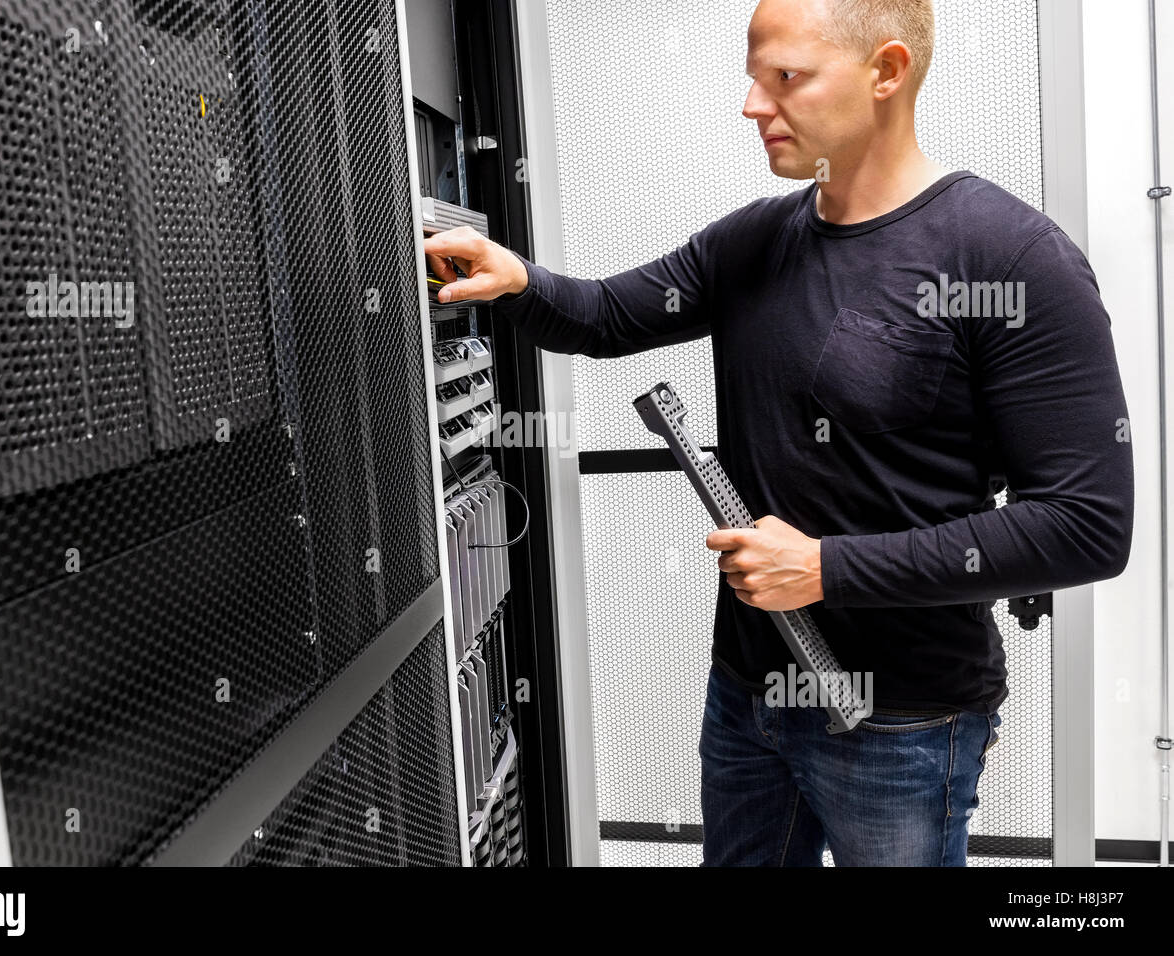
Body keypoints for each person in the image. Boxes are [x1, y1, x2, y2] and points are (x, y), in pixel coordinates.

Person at [422, 0, 1133, 865]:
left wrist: (826, 569)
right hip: (748, 697)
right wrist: (518, 280)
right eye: (753, 78)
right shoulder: (755, 242)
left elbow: (1084, 524)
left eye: (785, 78)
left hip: (903, 722)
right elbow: (607, 315)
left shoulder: (1010, 259)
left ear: (888, 71)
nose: (753, 105)